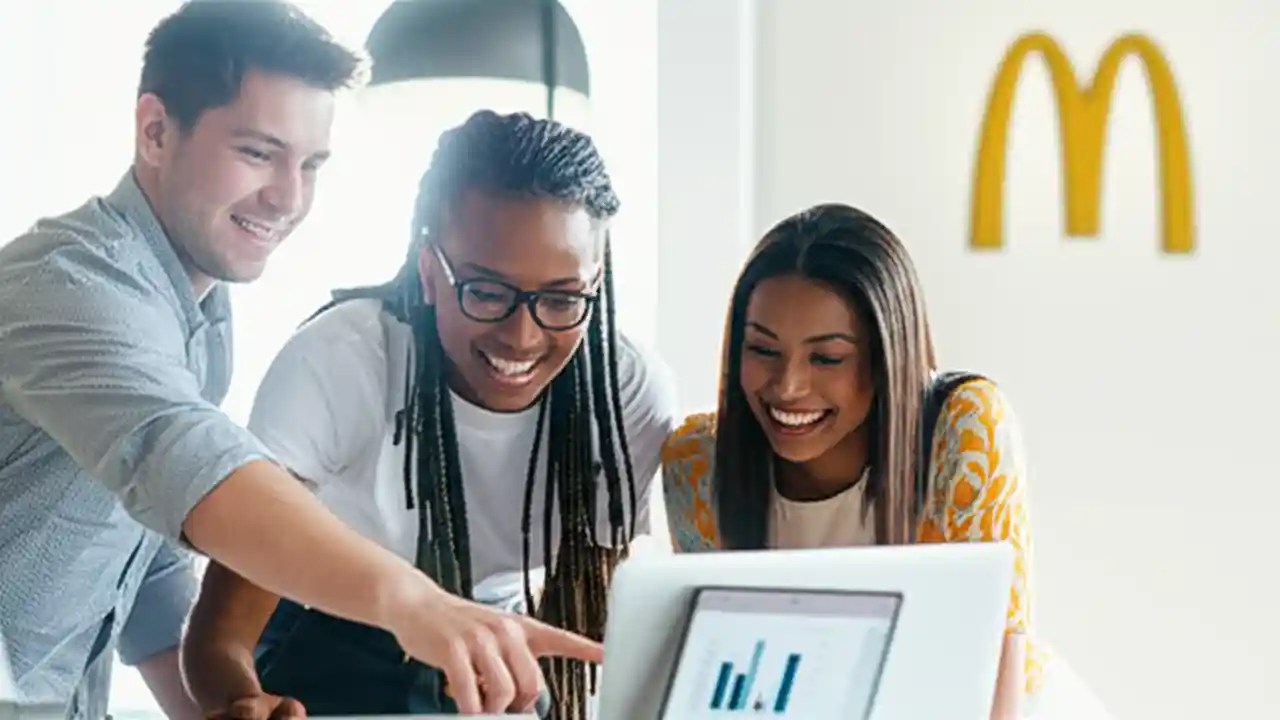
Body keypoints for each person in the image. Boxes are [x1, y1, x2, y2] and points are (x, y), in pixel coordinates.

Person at [0, 4, 603, 719]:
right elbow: (186, 458)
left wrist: (231, 707)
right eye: (258, 153)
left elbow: (147, 578)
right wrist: (416, 603)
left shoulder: (197, 316)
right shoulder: (68, 287)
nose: (289, 197)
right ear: (155, 131)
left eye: (310, 164)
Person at [181, 110, 679, 719]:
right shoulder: (340, 363)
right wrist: (245, 702)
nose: (522, 336)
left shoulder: (624, 390)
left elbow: (595, 601)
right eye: (487, 292)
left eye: (561, 298)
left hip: (502, 642)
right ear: (428, 271)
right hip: (327, 638)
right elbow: (220, 635)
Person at [660, 203, 1052, 720]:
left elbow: (995, 657)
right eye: (762, 350)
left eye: (826, 358)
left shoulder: (965, 431)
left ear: (887, 359)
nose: (787, 387)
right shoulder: (697, 461)